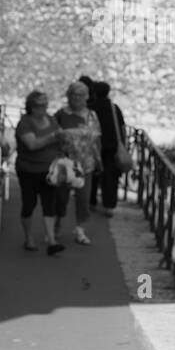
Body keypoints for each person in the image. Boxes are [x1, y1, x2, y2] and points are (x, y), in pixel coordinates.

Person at [14, 91, 65, 255]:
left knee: (49, 204)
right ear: (32, 107)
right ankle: (28, 237)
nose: (44, 108)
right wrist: (53, 137)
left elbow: (60, 137)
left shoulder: (50, 119)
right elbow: (32, 144)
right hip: (28, 169)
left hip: (49, 170)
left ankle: (51, 241)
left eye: (45, 104)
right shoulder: (25, 123)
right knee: (29, 203)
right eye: (40, 105)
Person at [53, 82, 102, 245]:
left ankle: (80, 229)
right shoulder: (61, 115)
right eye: (74, 95)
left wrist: (98, 159)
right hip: (65, 162)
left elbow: (96, 138)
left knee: (83, 198)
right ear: (68, 96)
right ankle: (57, 224)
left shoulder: (92, 115)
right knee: (60, 197)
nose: (77, 98)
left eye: (81, 95)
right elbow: (53, 135)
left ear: (86, 97)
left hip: (85, 163)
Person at [90, 81, 127, 216]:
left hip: (94, 146)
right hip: (112, 146)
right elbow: (122, 128)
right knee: (111, 176)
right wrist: (124, 144)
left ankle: (92, 201)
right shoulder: (114, 108)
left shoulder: (91, 108)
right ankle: (109, 205)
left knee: (94, 173)